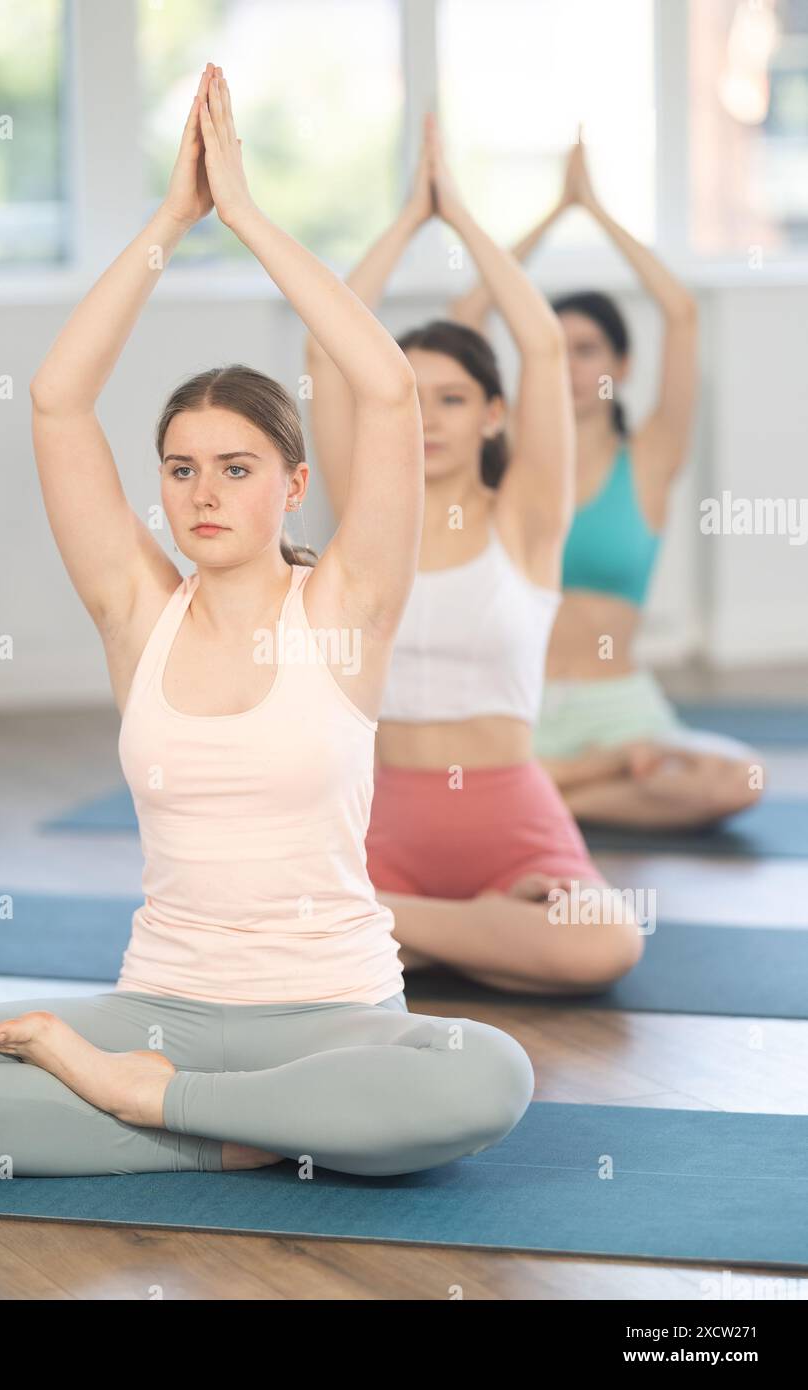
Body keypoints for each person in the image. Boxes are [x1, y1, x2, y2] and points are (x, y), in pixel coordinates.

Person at [0, 64, 533, 1180]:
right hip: (158, 1004)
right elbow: (60, 398)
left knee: (486, 1072)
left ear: (294, 484)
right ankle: (242, 1130)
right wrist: (172, 222)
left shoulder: (349, 607)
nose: (202, 493)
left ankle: (154, 1111)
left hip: (335, 1015)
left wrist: (250, 219)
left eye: (235, 467)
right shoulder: (138, 613)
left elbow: (389, 394)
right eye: (179, 469)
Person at [305, 113, 642, 996]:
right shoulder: (372, 517)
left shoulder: (528, 519)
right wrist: (407, 218)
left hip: (512, 814)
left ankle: (394, 930)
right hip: (387, 811)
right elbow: (322, 345)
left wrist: (461, 217)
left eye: (452, 399)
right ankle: (479, 936)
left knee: (607, 944)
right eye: (410, 399)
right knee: (293, 970)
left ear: (494, 414)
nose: (429, 418)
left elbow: (536, 343)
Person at [449, 132, 763, 831]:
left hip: (620, 708)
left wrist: (593, 209)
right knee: (436, 775)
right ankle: (571, 793)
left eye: (585, 351)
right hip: (519, 701)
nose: (567, 369)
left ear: (621, 363)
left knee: (740, 778)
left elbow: (681, 311)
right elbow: (466, 317)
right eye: (553, 352)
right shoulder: (509, 456)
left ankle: (545, 797)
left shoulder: (651, 458)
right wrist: (551, 216)